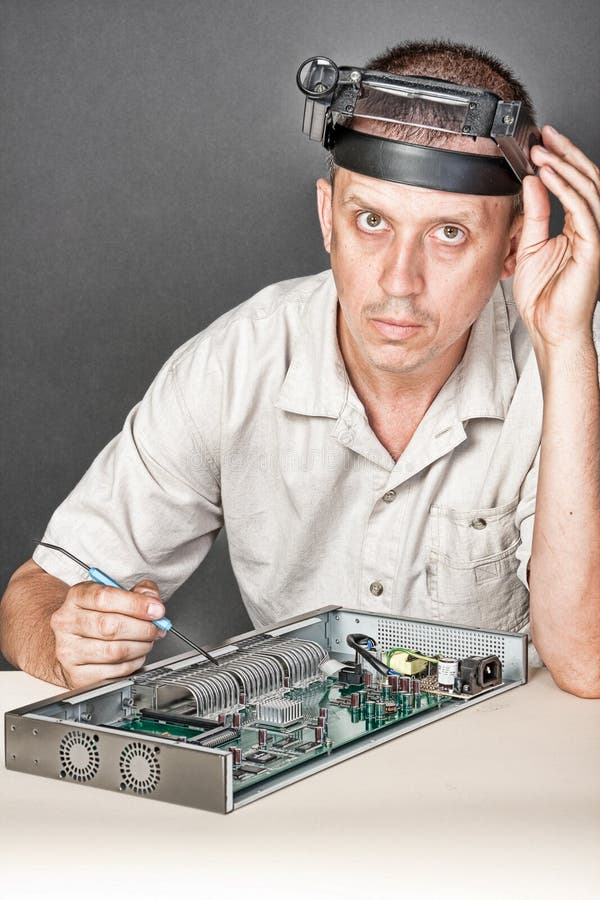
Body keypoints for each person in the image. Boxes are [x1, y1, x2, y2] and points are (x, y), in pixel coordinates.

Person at [1, 40, 599, 697]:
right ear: (327, 218)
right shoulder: (234, 366)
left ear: (513, 249)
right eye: (372, 220)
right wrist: (68, 642)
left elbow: (587, 662)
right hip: (303, 766)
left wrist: (567, 346)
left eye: (449, 233)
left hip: (510, 771)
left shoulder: (570, 362)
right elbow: (36, 593)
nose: (400, 282)